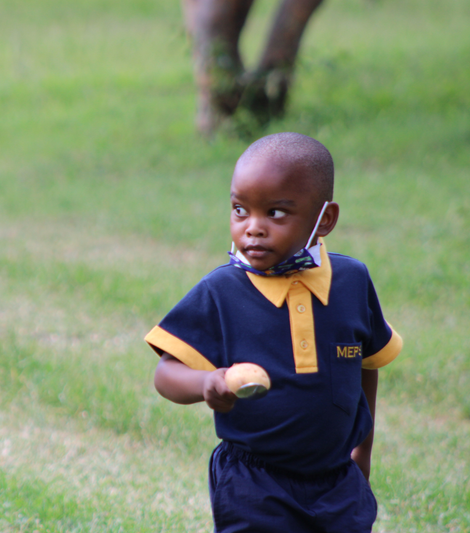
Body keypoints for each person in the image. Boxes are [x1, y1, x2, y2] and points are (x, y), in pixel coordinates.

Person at [145, 132, 402, 532]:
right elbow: (166, 373)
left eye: (276, 213)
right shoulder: (222, 290)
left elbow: (368, 364)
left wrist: (362, 452)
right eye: (240, 210)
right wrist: (207, 382)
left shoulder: (351, 281)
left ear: (325, 219)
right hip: (254, 482)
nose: (253, 228)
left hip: (338, 481)